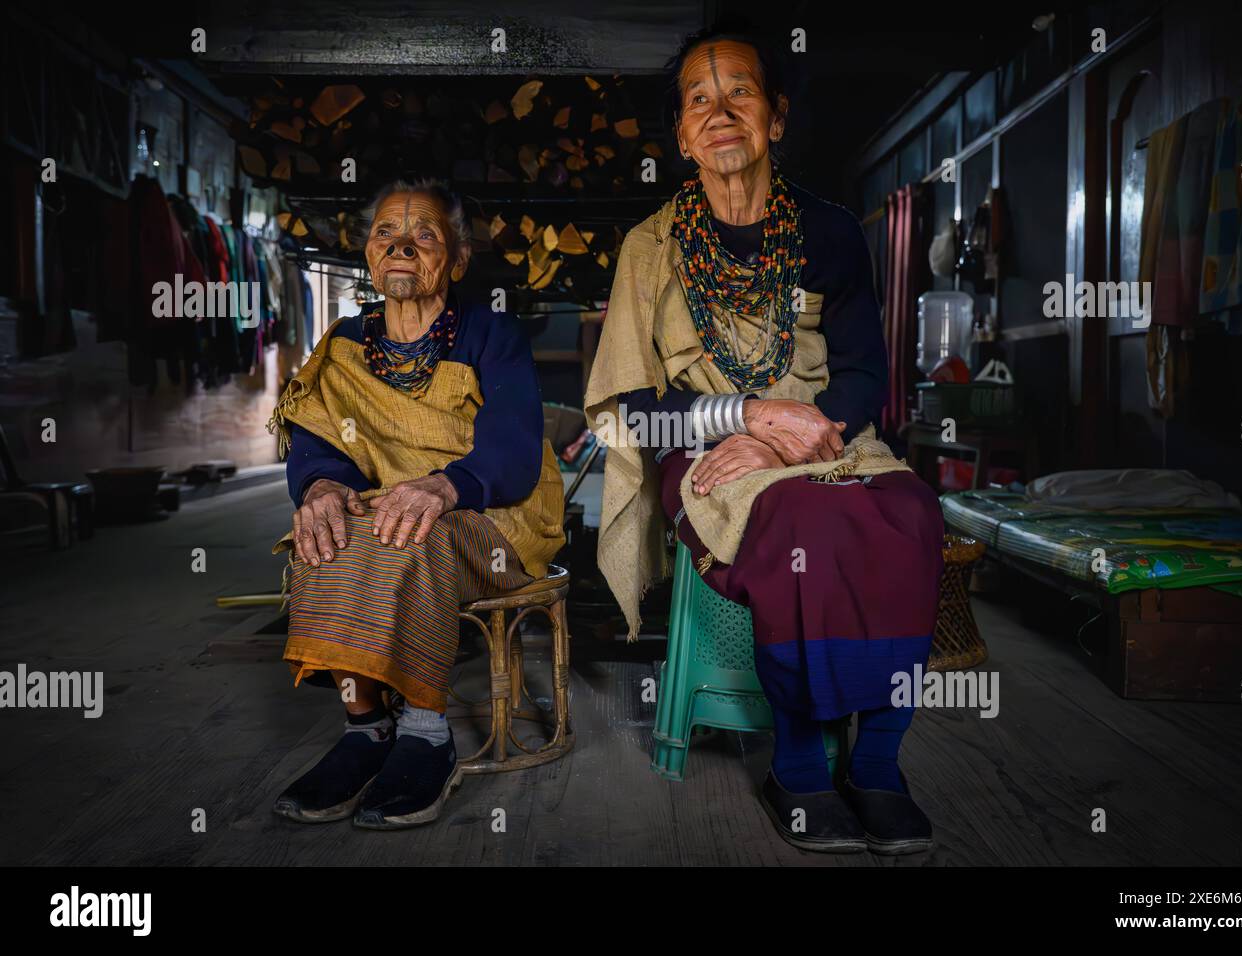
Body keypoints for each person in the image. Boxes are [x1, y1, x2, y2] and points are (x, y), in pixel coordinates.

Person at [584, 28, 945, 854]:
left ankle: (880, 763)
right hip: (704, 448)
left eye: (739, 92)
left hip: (827, 436)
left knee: (913, 512)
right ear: (681, 135)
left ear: (775, 117)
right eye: (699, 101)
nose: (720, 113)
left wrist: (790, 438)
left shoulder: (831, 232)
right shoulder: (651, 248)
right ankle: (800, 767)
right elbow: (630, 410)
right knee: (804, 529)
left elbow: (861, 377)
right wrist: (745, 418)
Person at [267, 177, 564, 829]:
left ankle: (427, 733)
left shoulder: (492, 335)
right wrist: (318, 485)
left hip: (497, 520)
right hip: (385, 506)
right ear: (370, 255)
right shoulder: (344, 343)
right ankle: (365, 727)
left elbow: (513, 454)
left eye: (424, 234)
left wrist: (441, 485)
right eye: (386, 233)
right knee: (322, 531)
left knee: (418, 529)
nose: (402, 245)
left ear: (455, 259)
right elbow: (317, 438)